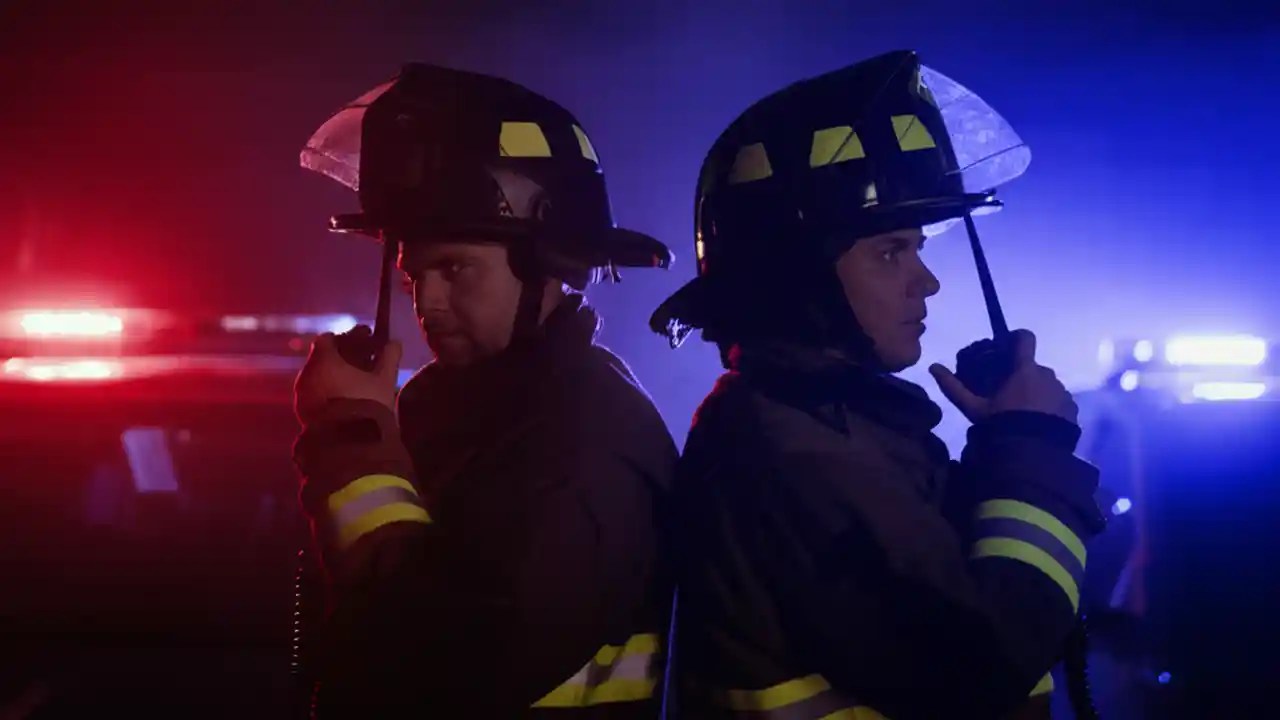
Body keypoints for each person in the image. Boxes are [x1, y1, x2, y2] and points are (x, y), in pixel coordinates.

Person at [649, 50, 1105, 719]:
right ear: (800, 276)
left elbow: (933, 585)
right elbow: (978, 666)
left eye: (919, 248)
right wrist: (1030, 450)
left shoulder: (832, 428)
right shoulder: (793, 454)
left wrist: (996, 457)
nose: (928, 281)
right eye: (891, 252)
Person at [292, 63, 678, 717]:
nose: (429, 303)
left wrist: (350, 435)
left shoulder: (587, 436)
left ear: (552, 267)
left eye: (455, 268)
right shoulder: (460, 408)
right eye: (415, 276)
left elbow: (443, 661)